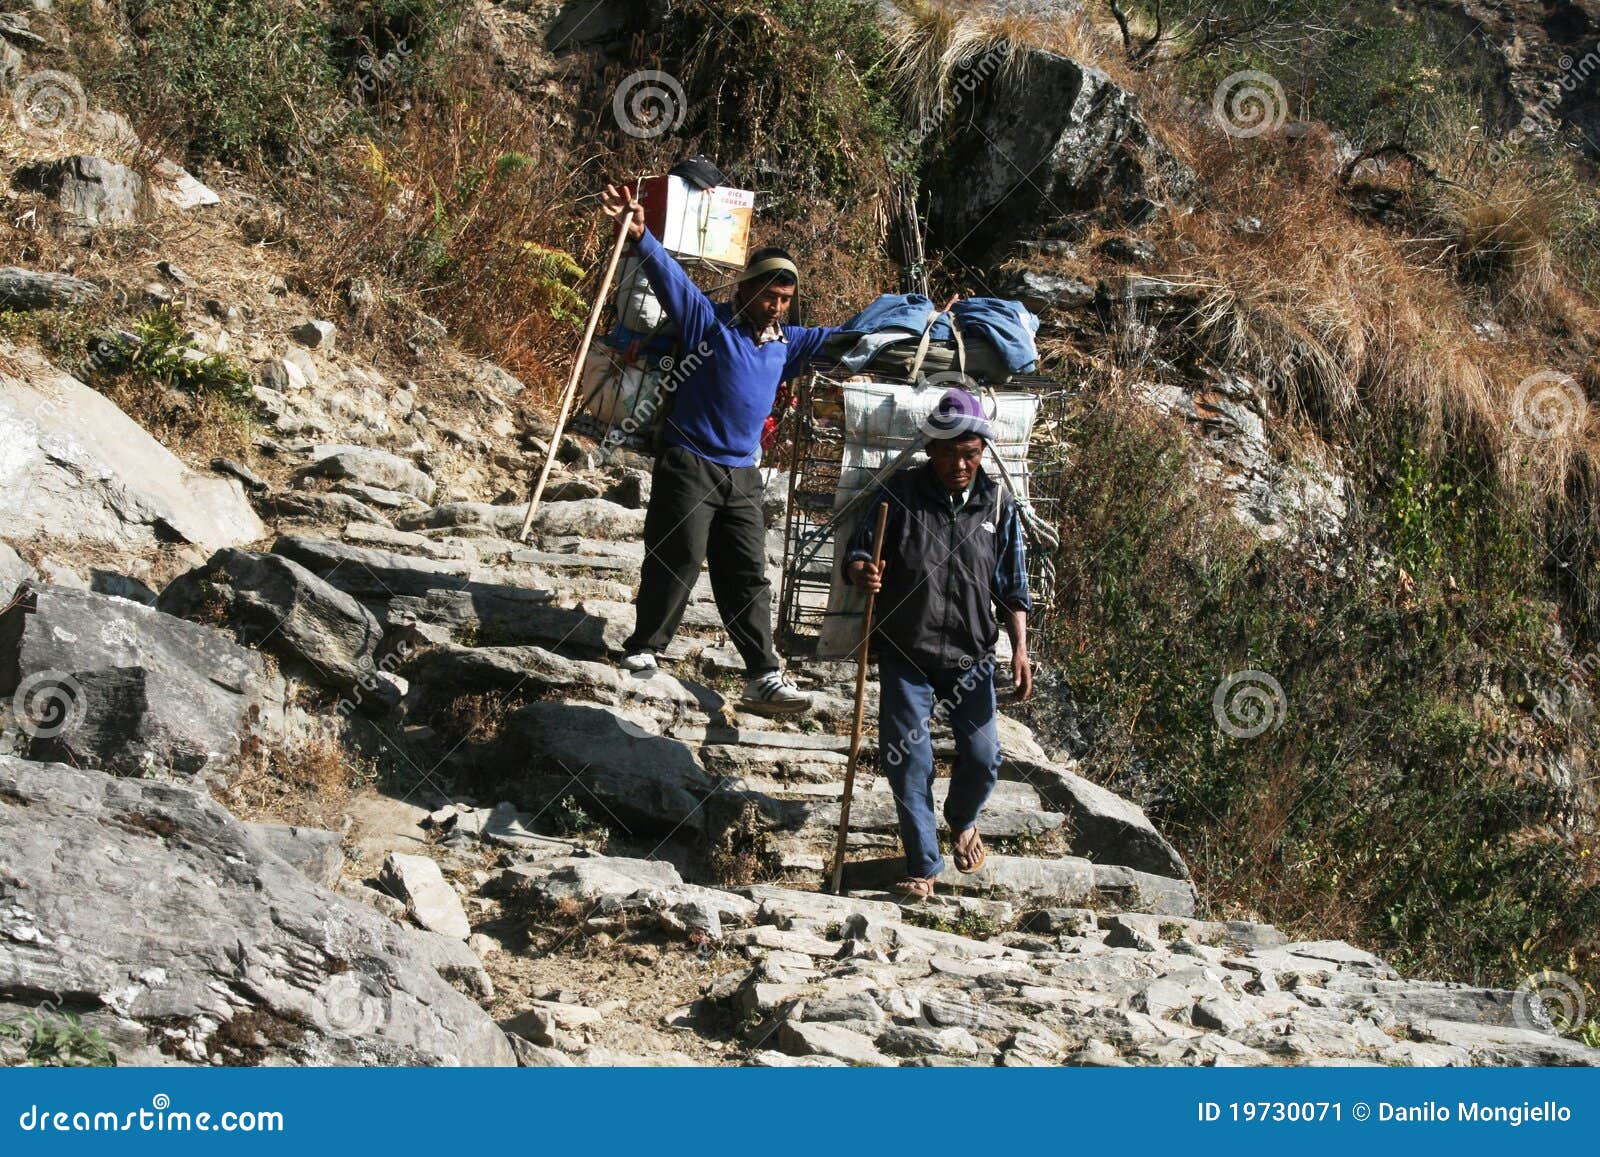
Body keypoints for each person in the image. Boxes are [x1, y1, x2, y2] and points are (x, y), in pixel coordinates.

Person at [599, 182, 840, 715]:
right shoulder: (708, 322)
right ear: (746, 288)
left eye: (785, 299)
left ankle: (763, 675)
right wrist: (640, 236)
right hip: (690, 460)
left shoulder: (787, 343)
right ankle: (644, 648)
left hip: (744, 474)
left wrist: (921, 323)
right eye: (769, 296)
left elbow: (844, 338)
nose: (776, 307)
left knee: (747, 572)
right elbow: (673, 281)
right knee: (679, 554)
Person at [844, 388, 1034, 898]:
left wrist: (1020, 649)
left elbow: (1013, 587)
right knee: (909, 759)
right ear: (930, 450)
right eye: (949, 453)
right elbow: (860, 551)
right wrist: (862, 570)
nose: (959, 464)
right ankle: (923, 866)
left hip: (972, 656)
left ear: (982, 451)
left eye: (970, 453)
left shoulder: (998, 504)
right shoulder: (899, 493)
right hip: (907, 651)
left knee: (983, 755)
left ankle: (962, 816)